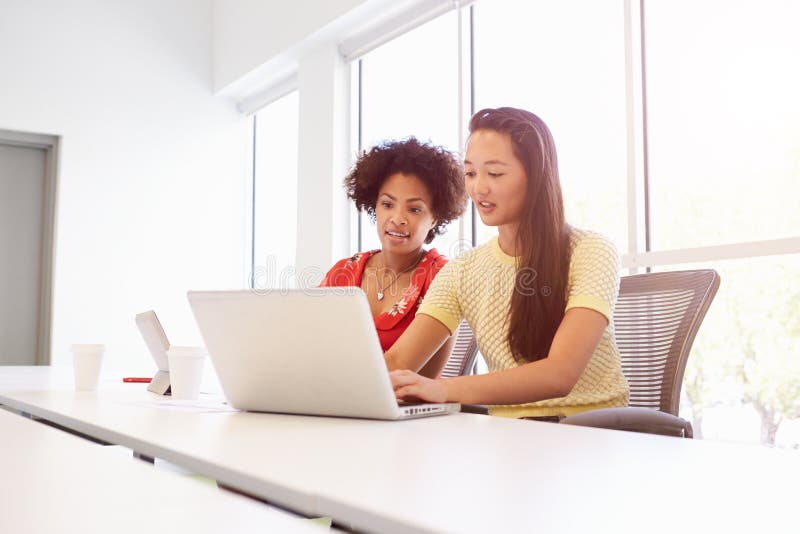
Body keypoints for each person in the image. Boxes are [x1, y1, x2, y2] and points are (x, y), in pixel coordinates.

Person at [387, 107, 629, 420]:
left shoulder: (591, 250)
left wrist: (444, 389)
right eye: (471, 173)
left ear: (537, 175)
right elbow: (397, 361)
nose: (478, 188)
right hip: (509, 438)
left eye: (495, 174)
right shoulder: (463, 270)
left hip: (590, 431)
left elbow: (560, 374)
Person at [320, 137, 467, 377]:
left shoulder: (442, 277)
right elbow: (306, 342)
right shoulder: (343, 272)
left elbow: (401, 369)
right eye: (387, 204)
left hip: (408, 409)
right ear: (374, 206)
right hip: (339, 404)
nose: (397, 218)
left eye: (414, 209)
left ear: (435, 218)